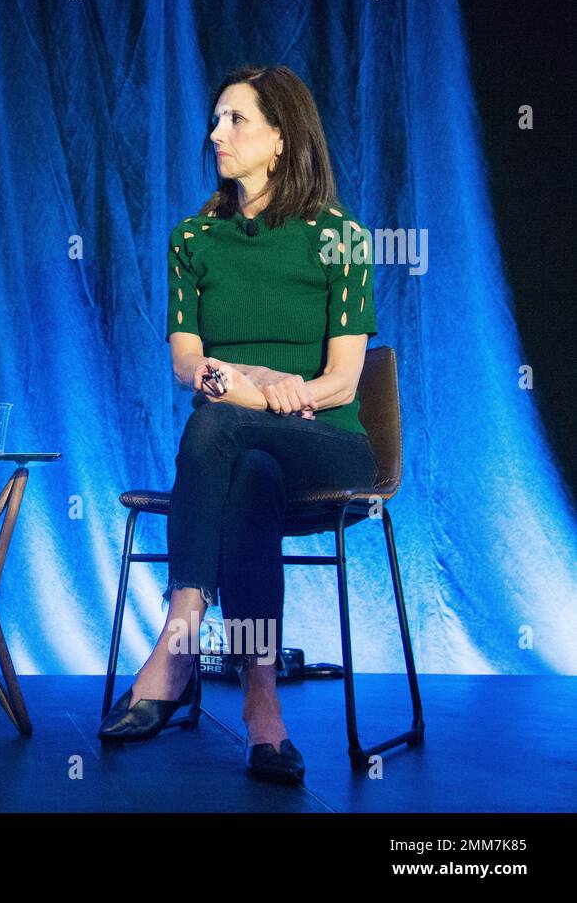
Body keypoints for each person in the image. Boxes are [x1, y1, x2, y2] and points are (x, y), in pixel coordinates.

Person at [97, 65, 380, 785]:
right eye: (216, 119)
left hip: (329, 445)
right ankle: (262, 706)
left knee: (223, 425)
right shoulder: (193, 237)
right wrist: (251, 385)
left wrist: (255, 392)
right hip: (234, 455)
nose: (216, 133)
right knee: (247, 468)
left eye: (236, 121)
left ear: (281, 140)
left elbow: (343, 382)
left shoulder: (340, 236)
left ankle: (181, 636)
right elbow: (190, 365)